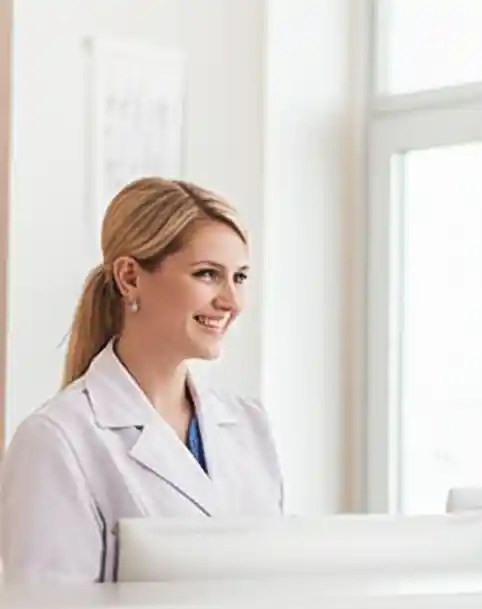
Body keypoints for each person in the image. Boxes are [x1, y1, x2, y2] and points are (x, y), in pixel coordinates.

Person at [0, 178, 285, 583]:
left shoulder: (250, 424)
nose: (231, 302)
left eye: (239, 277)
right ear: (130, 278)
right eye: (207, 274)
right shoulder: (57, 440)